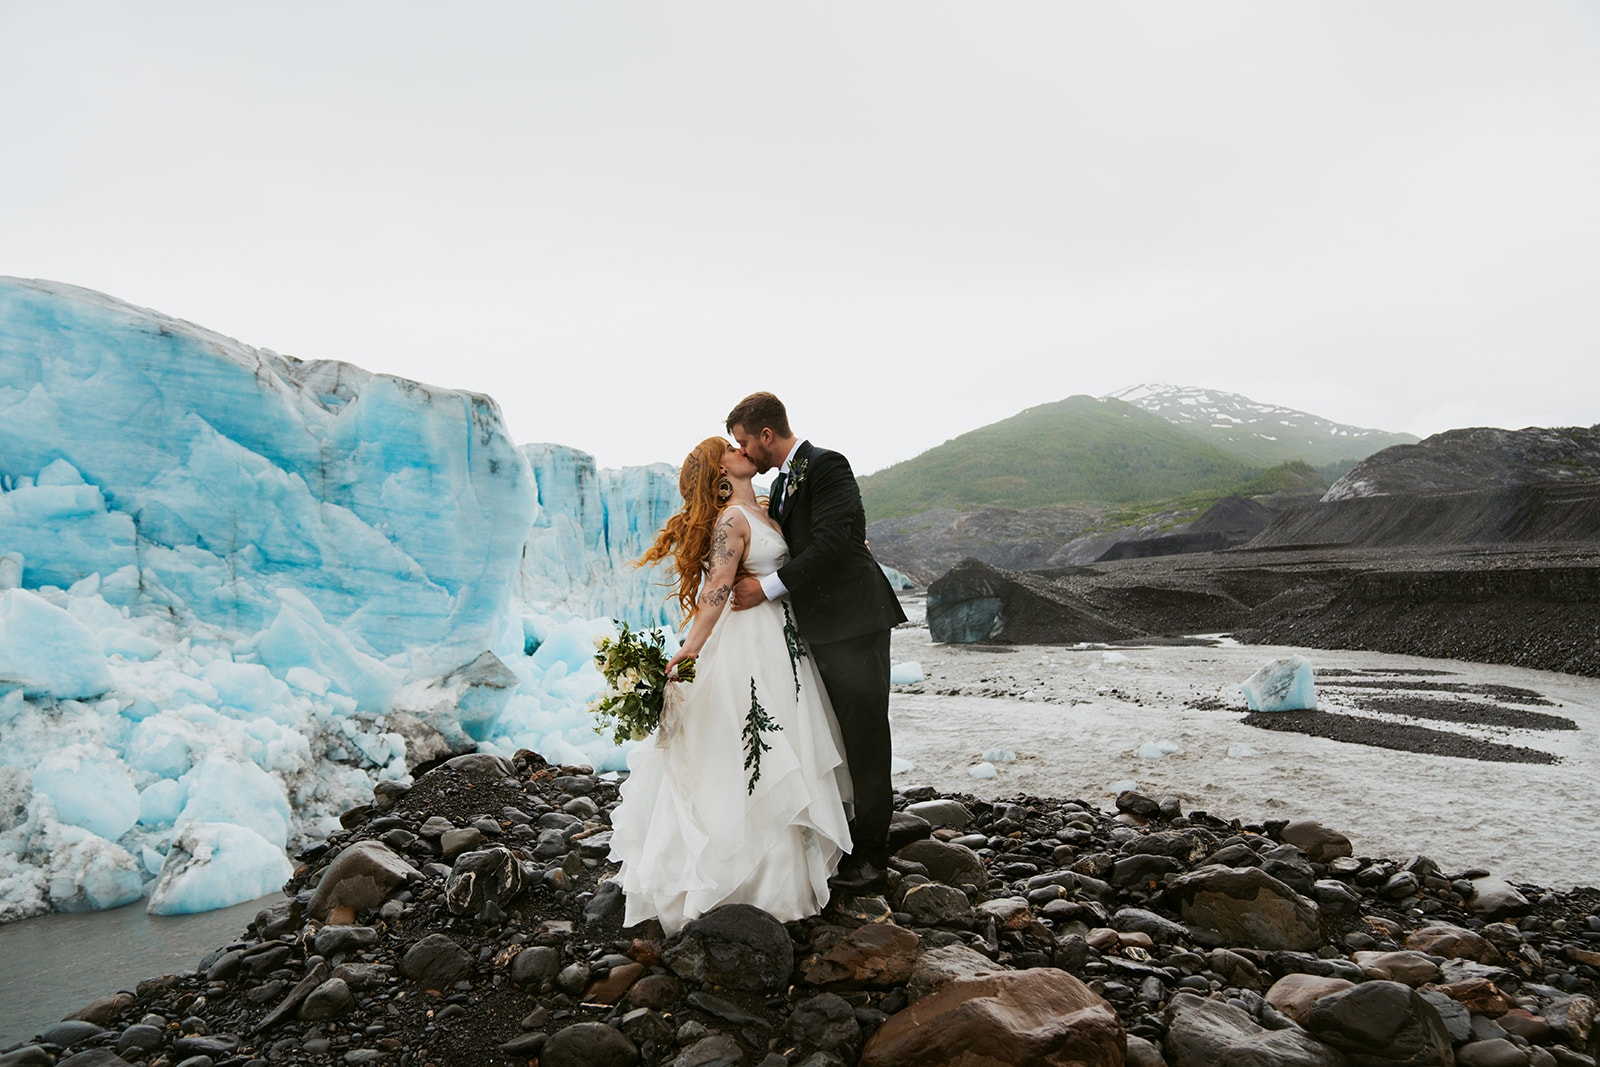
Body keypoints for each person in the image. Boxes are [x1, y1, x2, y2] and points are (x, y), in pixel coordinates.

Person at [606, 436, 855, 935]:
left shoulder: (763, 511)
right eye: (729, 448)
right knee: (748, 746)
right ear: (719, 472)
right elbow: (716, 588)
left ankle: (786, 874)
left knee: (786, 741)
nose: (741, 450)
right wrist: (692, 647)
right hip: (746, 641)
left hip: (781, 639)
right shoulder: (731, 520)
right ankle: (742, 878)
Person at [725, 392, 907, 893]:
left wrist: (764, 588)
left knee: (866, 737)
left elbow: (830, 542)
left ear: (766, 435)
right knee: (839, 733)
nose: (743, 451)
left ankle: (872, 858)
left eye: (744, 441)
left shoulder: (827, 464)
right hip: (820, 627)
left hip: (853, 622)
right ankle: (849, 835)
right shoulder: (782, 484)